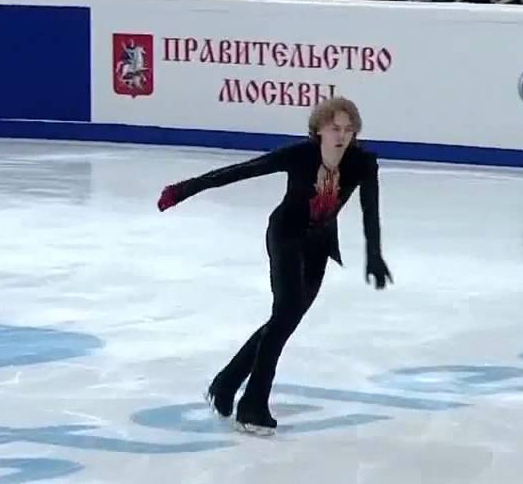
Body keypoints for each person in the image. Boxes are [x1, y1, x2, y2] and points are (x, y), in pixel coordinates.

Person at [156, 97, 393, 434]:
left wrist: (374, 254)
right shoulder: (299, 155)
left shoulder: (363, 163)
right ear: (319, 130)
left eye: (347, 130)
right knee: (285, 315)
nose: (341, 136)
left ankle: (224, 384)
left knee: (284, 320)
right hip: (285, 237)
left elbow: (371, 210)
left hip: (319, 245)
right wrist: (184, 189)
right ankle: (252, 405)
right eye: (334, 128)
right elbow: (242, 171)